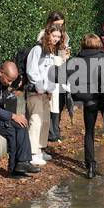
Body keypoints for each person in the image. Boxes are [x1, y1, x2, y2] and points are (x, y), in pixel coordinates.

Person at [72, 34, 104, 177]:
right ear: (99, 43)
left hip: (90, 100)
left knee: (89, 132)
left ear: (83, 44)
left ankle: (91, 167)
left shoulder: (77, 60)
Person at [25, 14, 68, 165]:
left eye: (58, 36)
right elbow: (32, 71)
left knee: (45, 121)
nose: (56, 39)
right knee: (35, 121)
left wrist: (49, 89)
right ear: (48, 34)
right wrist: (40, 87)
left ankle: (41, 149)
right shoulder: (37, 49)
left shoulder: (51, 51)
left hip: (46, 92)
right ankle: (32, 152)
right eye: (54, 35)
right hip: (35, 92)